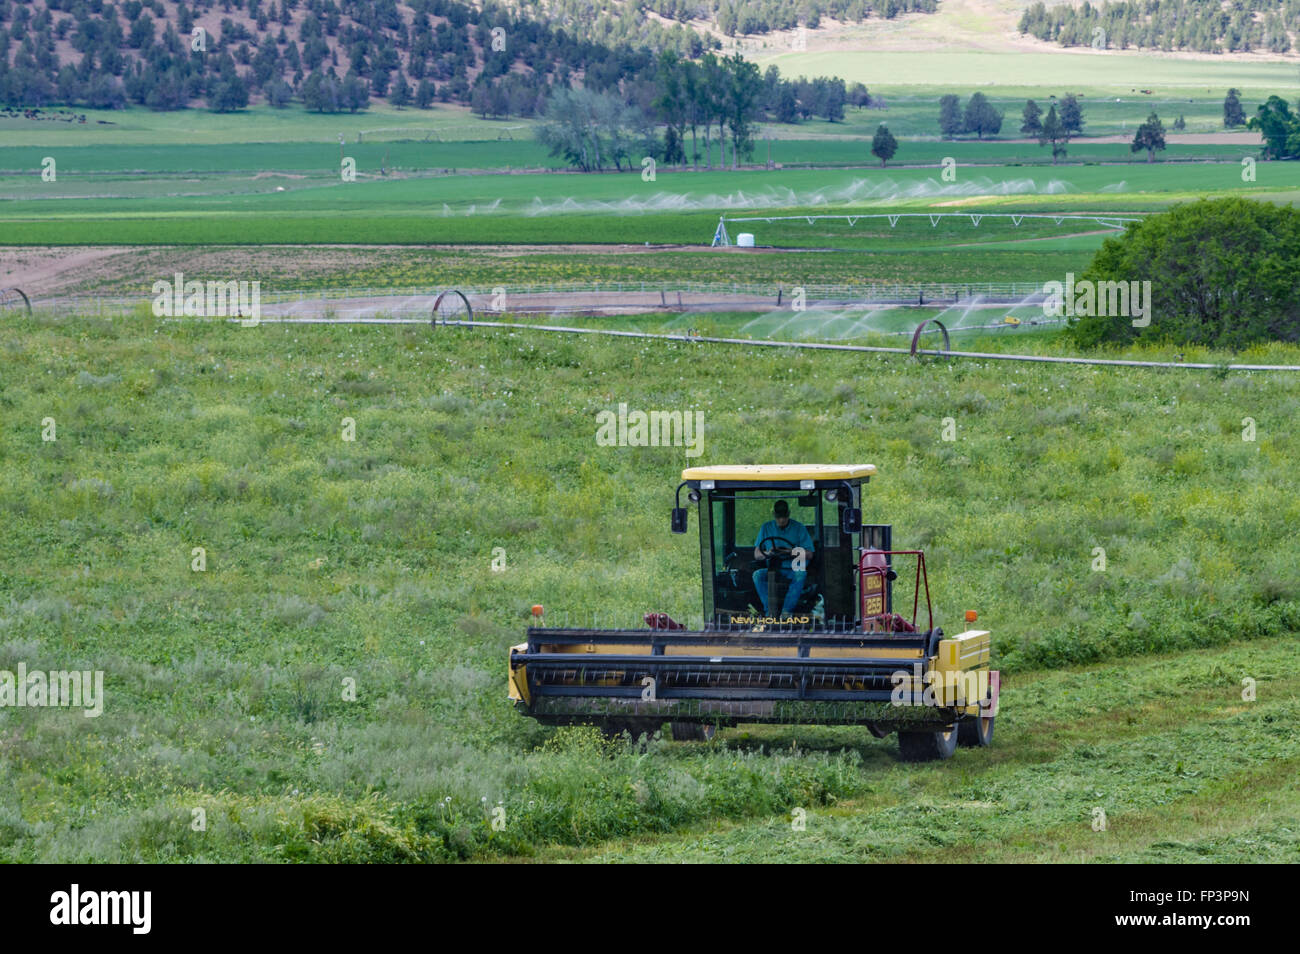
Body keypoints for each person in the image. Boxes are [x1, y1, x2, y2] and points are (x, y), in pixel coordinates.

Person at [751, 500, 815, 616]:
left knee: (801, 574)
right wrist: (769, 553)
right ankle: (769, 612)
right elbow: (757, 554)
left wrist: (791, 552)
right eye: (778, 517)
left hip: (794, 568)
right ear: (774, 515)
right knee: (757, 575)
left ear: (789, 514)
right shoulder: (766, 528)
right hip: (773, 568)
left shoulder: (799, 528)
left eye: (784, 517)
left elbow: (810, 554)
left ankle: (786, 614)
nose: (781, 520)